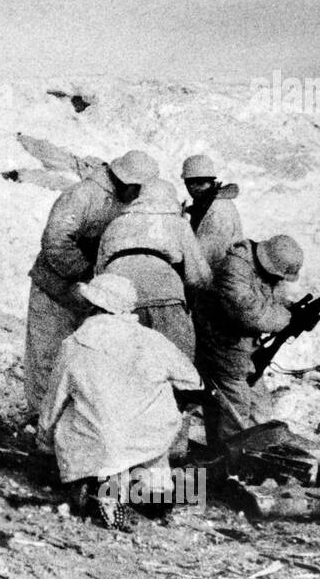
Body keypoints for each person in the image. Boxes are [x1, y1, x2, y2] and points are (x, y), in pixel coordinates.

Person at [40, 274, 202, 529]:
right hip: (149, 439)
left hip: (100, 440)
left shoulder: (74, 343)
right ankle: (156, 493)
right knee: (156, 411)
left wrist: (44, 441)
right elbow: (193, 382)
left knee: (78, 410)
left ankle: (102, 485)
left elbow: (54, 402)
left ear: (92, 306)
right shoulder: (153, 340)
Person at [24, 149, 159, 424]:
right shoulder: (82, 196)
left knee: (79, 362)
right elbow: (55, 241)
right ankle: (40, 422)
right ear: (128, 183)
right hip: (55, 290)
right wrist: (86, 273)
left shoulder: (123, 202)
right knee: (46, 358)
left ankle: (69, 426)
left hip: (88, 296)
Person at [194, 234, 305, 448]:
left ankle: (255, 452)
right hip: (222, 347)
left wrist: (292, 310)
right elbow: (248, 313)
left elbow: (266, 299)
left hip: (242, 349)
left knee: (259, 406)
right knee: (235, 408)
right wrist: (287, 318)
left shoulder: (259, 270)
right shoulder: (234, 268)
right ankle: (229, 461)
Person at [96, 177, 210, 360]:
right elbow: (198, 276)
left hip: (117, 297)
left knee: (122, 363)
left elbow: (99, 271)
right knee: (176, 360)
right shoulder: (178, 224)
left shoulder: (115, 224)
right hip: (164, 295)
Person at [181, 154, 245, 271]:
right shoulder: (205, 205)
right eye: (190, 182)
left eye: (200, 182)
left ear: (211, 181)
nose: (194, 187)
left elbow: (205, 257)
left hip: (219, 276)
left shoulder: (217, 210)